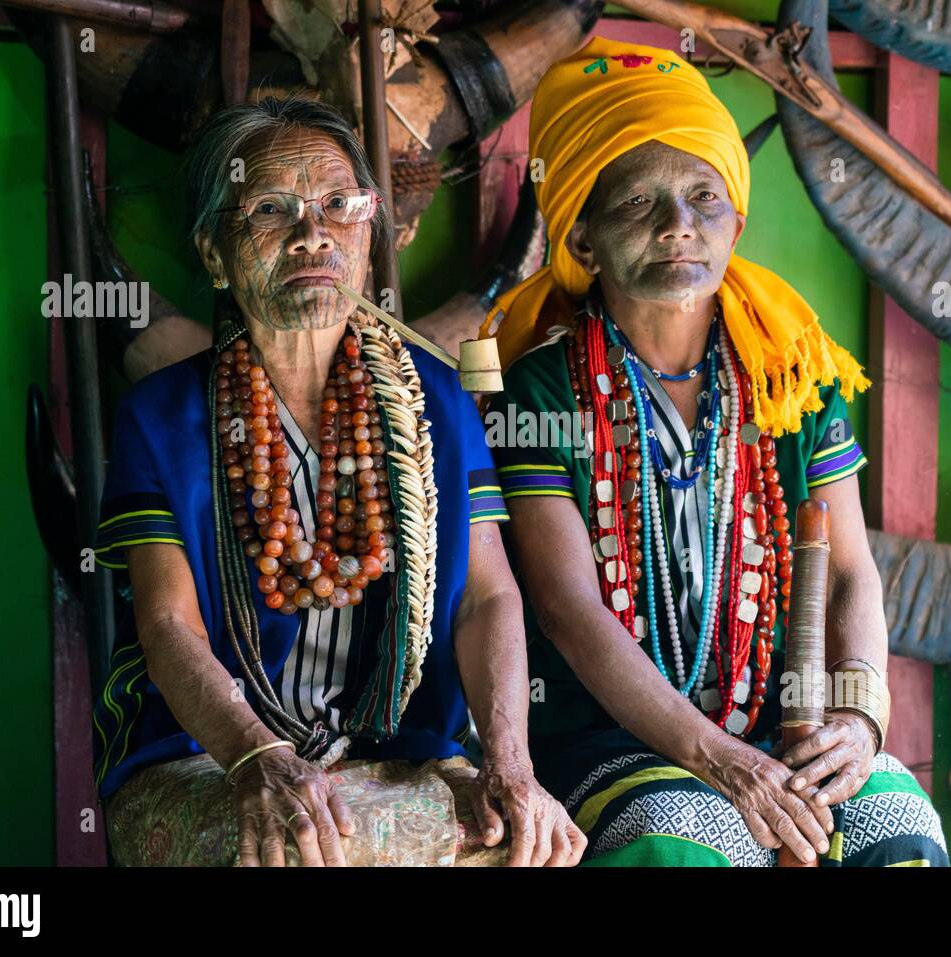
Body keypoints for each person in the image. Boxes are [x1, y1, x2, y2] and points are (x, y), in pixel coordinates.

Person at [484, 36, 949, 867]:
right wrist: (717, 758)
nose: (679, 227)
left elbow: (850, 571)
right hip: (609, 736)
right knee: (680, 841)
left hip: (784, 725)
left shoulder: (791, 372)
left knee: (895, 824)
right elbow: (569, 609)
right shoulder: (542, 394)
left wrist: (858, 715)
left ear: (737, 220)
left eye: (704, 197)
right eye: (638, 203)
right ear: (583, 241)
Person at [91, 93, 584, 867]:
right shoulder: (161, 416)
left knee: (523, 839)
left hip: (403, 743)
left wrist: (509, 762)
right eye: (270, 209)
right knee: (286, 849)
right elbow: (168, 626)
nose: (311, 234)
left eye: (336, 205)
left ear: (368, 230)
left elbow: (488, 596)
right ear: (216, 254)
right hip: (205, 750)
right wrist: (258, 757)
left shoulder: (436, 402)